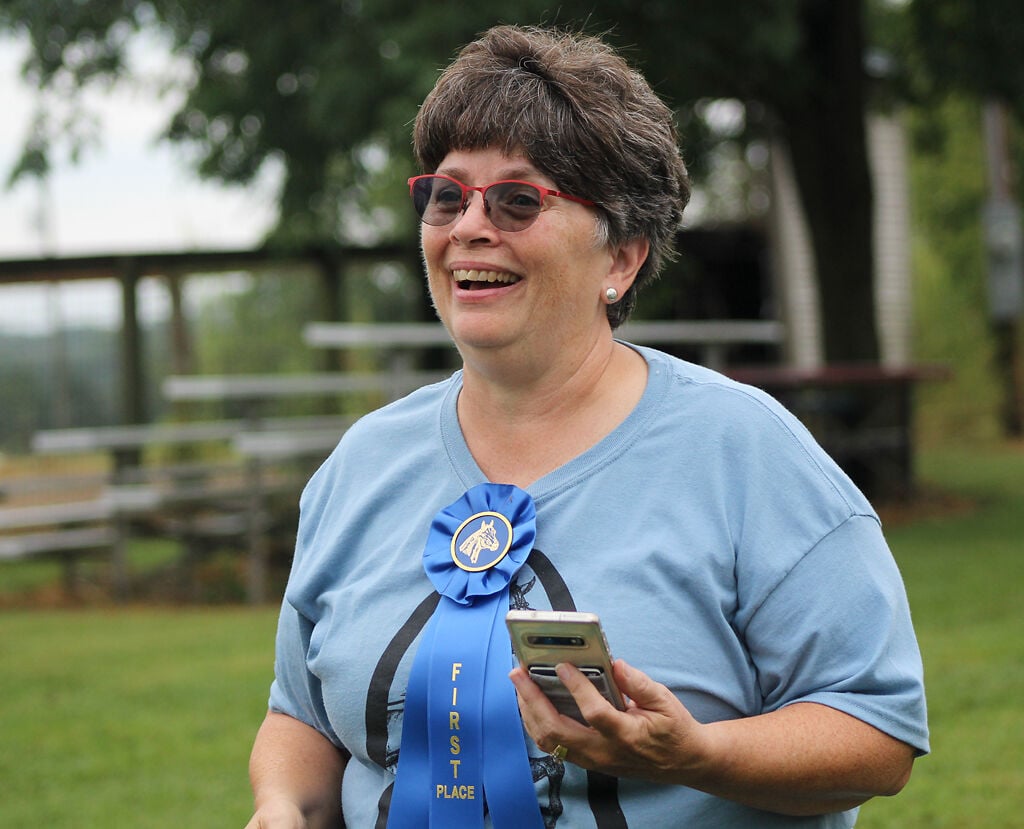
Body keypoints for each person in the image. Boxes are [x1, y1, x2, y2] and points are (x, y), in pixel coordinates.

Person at [246, 23, 929, 829]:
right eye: (448, 194)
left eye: (518, 199)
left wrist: (699, 755)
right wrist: (284, 804)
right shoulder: (361, 465)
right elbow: (300, 715)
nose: (469, 225)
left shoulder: (747, 452)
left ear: (623, 256)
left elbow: (876, 730)